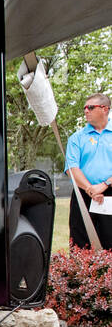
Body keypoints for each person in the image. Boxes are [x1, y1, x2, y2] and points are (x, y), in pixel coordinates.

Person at [65, 92, 112, 249]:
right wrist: (90, 189)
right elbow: (72, 168)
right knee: (80, 243)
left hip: (110, 194)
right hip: (82, 195)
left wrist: (105, 184)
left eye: (90, 107)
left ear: (105, 109)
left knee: (109, 241)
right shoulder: (76, 138)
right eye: (85, 108)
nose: (86, 111)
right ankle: (80, 274)